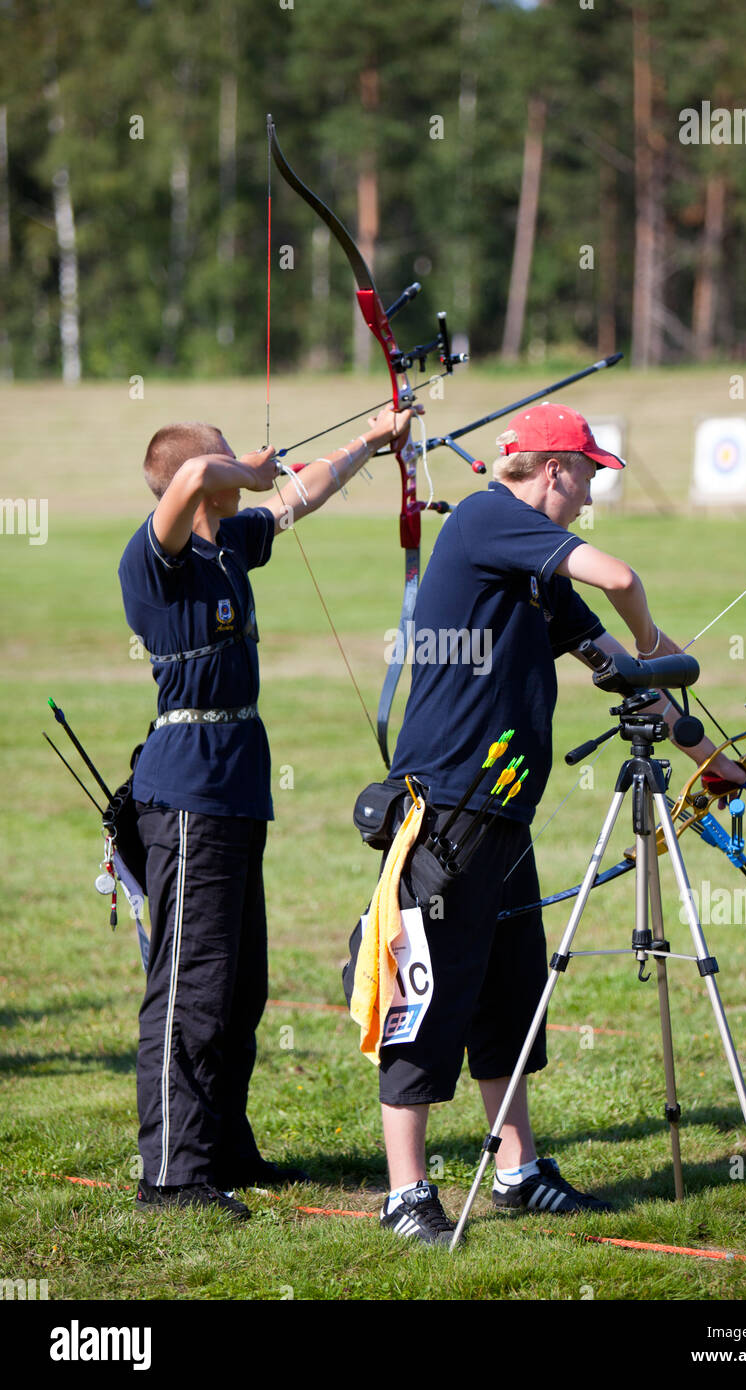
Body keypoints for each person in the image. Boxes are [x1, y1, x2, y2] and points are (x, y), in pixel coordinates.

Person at [356, 401, 746, 1244]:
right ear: (554, 469)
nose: (589, 493)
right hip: (449, 813)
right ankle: (406, 1194)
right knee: (426, 1003)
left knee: (510, 999)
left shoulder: (532, 567)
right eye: (587, 476)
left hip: (503, 816)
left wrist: (703, 752)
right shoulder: (492, 518)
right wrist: (655, 637)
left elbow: (615, 671)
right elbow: (621, 581)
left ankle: (518, 1171)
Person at [119, 405, 416, 1220]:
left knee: (239, 984)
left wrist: (368, 442)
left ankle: (223, 1149)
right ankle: (173, 1176)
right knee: (191, 987)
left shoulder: (227, 544)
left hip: (236, 786)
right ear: (205, 474)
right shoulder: (160, 560)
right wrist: (239, 471)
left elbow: (298, 498)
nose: (246, 461)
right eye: (227, 458)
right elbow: (190, 480)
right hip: (188, 793)